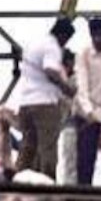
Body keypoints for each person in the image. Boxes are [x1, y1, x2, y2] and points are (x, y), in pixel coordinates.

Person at [15, 17, 77, 180]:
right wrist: (67, 88)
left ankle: (17, 181)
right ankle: (48, 183)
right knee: (48, 148)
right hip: (45, 105)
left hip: (25, 104)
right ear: (63, 36)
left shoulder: (33, 45)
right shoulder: (53, 47)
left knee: (27, 148)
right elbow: (50, 71)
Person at [74, 18, 101, 188]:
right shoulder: (83, 54)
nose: (98, 39)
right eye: (95, 35)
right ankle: (82, 191)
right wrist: (88, 112)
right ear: (91, 35)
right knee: (84, 156)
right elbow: (81, 87)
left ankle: (89, 189)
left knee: (93, 157)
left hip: (99, 112)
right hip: (85, 114)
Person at [56, 49, 80, 185]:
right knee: (68, 162)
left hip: (73, 125)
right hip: (64, 125)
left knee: (71, 162)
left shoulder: (77, 80)